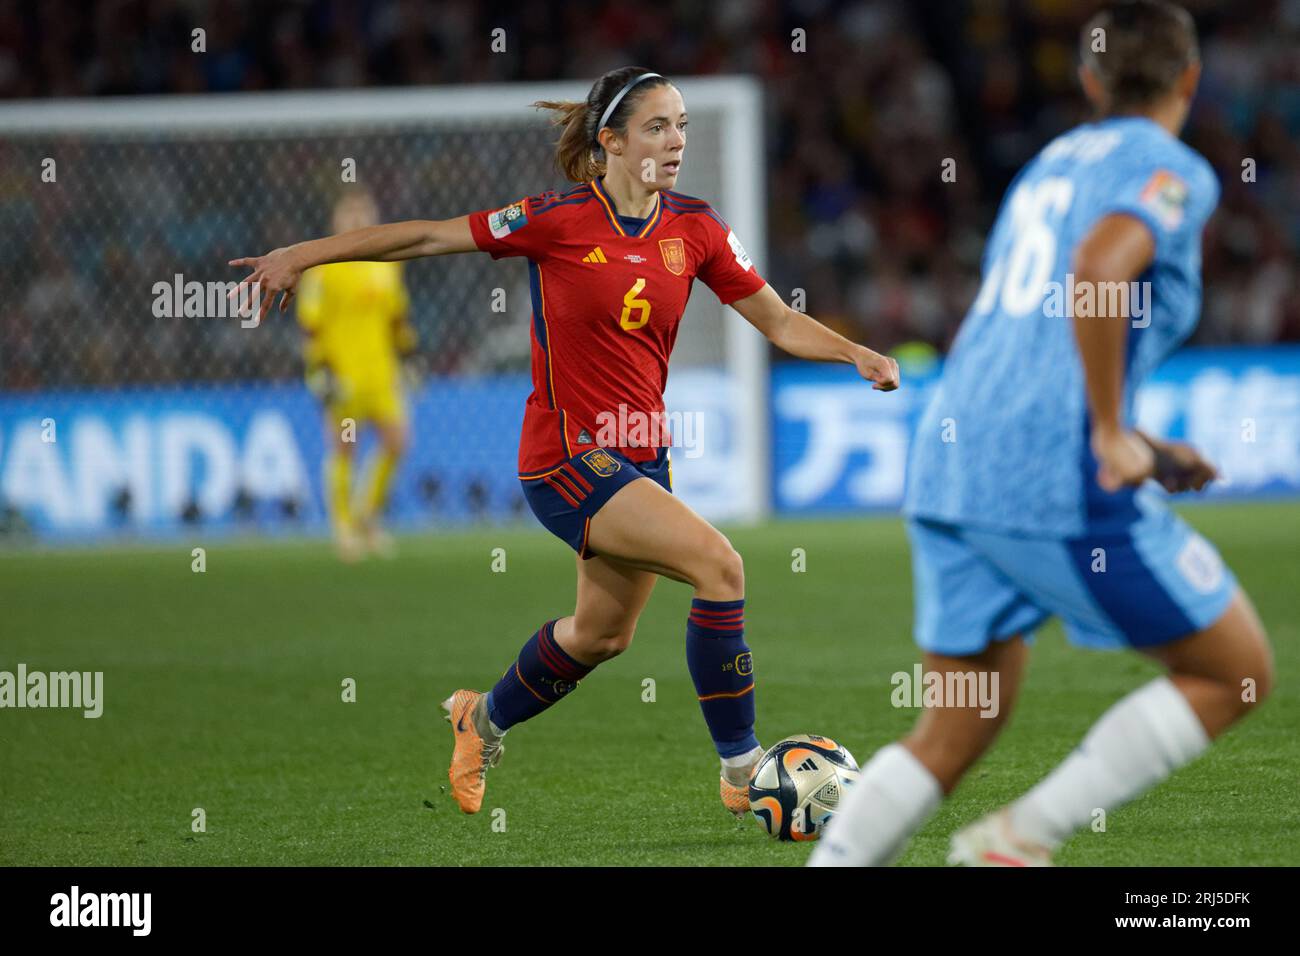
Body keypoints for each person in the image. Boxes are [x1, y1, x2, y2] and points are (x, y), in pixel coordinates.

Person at [229, 67, 900, 817]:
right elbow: (426, 235)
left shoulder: (697, 229)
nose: (676, 140)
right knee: (720, 565)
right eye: (656, 127)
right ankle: (744, 769)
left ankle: (478, 720)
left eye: (681, 124)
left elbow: (777, 320)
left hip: (643, 454)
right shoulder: (554, 220)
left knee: (601, 635)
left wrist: (855, 353)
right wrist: (303, 255)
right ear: (610, 141)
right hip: (567, 456)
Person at [810, 0, 1273, 867]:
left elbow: (1028, 332)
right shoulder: (1170, 168)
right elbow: (1097, 269)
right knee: (1234, 670)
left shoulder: (1049, 162)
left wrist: (1145, 443)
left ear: (1091, 80)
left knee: (956, 727)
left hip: (950, 457)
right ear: (1191, 79)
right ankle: (1016, 841)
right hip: (1044, 466)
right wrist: (1107, 430)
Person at [295, 189, 415, 561]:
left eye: (364, 213)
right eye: (350, 214)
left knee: (397, 441)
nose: (358, 220)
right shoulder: (323, 268)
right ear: (335, 222)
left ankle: (368, 516)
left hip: (381, 372)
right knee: (344, 446)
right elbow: (310, 327)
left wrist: (410, 356)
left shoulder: (387, 264)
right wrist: (320, 371)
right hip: (342, 375)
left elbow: (397, 318)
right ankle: (343, 528)